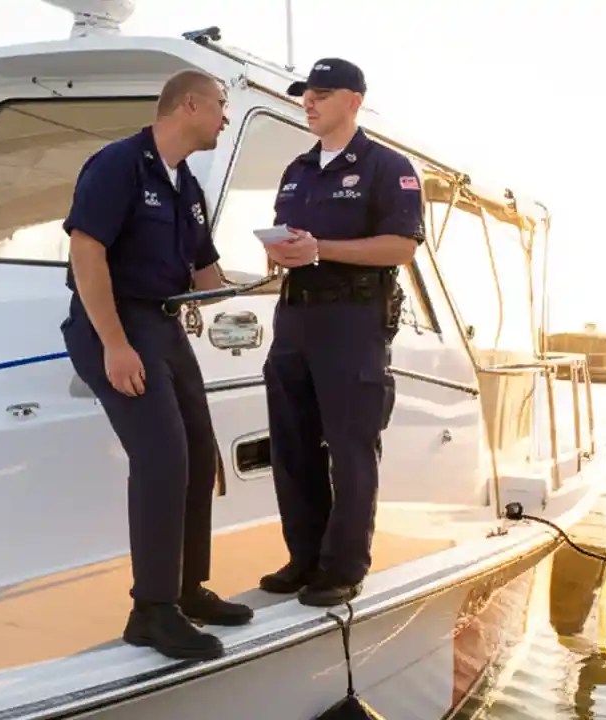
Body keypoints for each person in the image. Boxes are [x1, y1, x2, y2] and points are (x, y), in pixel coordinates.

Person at [60, 69, 254, 661]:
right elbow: (86, 249)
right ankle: (151, 611)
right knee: (162, 455)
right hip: (116, 324)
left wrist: (275, 269)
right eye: (221, 105)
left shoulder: (185, 186)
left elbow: (207, 279)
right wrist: (115, 345)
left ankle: (187, 589)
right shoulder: (119, 164)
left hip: (167, 326)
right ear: (188, 104)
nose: (225, 116)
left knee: (198, 452)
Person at [256, 58, 425, 608]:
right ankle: (303, 559)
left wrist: (321, 249)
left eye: (322, 94)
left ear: (353, 100)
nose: (309, 102)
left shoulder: (388, 168)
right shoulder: (297, 170)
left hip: (353, 322)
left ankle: (343, 568)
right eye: (306, 93)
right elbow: (290, 245)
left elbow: (401, 246)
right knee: (292, 444)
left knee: (351, 448)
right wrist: (280, 250)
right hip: (295, 316)